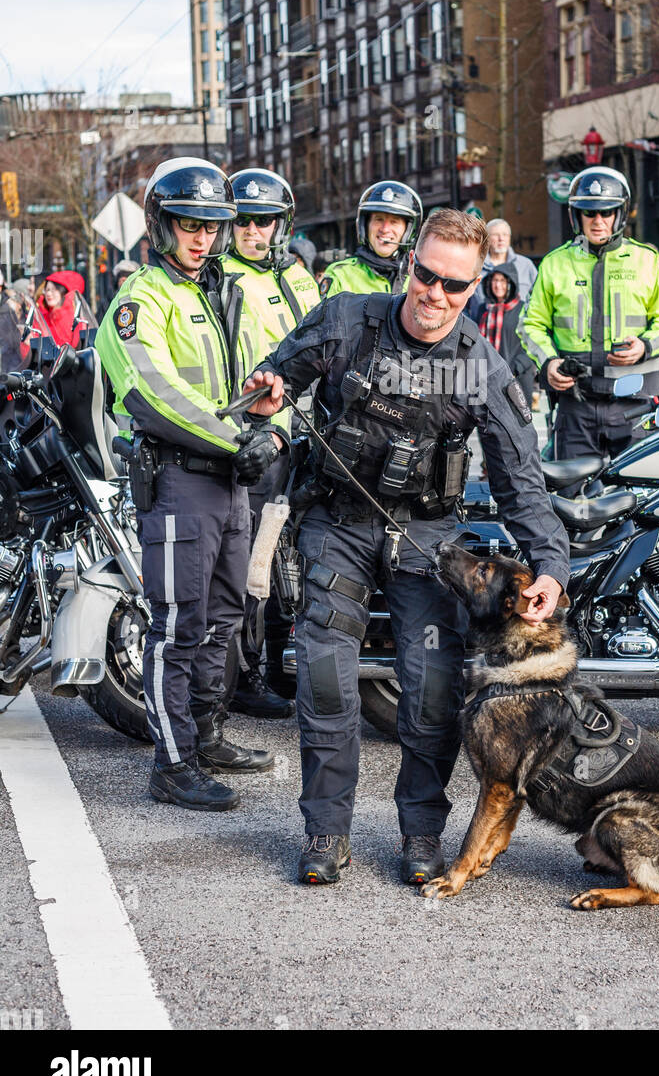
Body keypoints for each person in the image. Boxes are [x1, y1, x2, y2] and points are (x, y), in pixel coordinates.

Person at [243, 209, 571, 887]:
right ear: (410, 265)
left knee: (431, 695)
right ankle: (326, 834)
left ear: (475, 287)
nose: (436, 295)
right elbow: (277, 381)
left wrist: (551, 566)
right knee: (328, 682)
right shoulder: (345, 321)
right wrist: (268, 398)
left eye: (455, 286)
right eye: (426, 276)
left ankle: (422, 833)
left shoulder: (480, 366)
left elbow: (521, 480)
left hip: (426, 541)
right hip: (337, 523)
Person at [95, 157, 279, 813]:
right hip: (180, 482)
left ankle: (206, 736)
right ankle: (172, 766)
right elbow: (153, 393)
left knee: (225, 617)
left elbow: (263, 377)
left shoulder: (224, 293)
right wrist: (242, 439)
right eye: (186, 224)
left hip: (233, 483)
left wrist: (275, 427)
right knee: (178, 627)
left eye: (211, 225)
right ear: (160, 226)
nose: (200, 238)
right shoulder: (140, 301)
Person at [223, 167, 320, 718]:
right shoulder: (224, 279)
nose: (254, 232)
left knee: (291, 557)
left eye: (266, 222)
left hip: (305, 435)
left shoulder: (300, 277)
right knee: (252, 557)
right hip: (258, 436)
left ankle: (281, 663)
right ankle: (246, 675)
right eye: (245, 221)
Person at [518, 166, 659, 459]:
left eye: (606, 212)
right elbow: (530, 324)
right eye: (589, 213)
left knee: (638, 495)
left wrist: (645, 346)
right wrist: (549, 362)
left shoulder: (646, 260)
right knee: (570, 496)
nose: (597, 221)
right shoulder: (554, 264)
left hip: (636, 406)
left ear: (620, 214)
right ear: (576, 215)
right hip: (576, 405)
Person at [319, 181, 422, 298]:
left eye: (394, 222)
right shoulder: (340, 275)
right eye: (379, 219)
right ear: (365, 226)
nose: (385, 229)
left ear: (408, 231)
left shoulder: (419, 278)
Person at [478, 266, 536, 406]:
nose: (498, 285)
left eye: (503, 281)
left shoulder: (524, 309)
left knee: (517, 424)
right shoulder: (483, 309)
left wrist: (516, 368)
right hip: (487, 380)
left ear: (511, 283)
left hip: (517, 380)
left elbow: (533, 343)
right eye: (495, 280)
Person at [467, 218, 537, 320]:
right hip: (481, 331)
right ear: (487, 239)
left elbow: (539, 299)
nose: (501, 239)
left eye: (505, 235)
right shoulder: (475, 266)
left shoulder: (525, 265)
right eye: (495, 235)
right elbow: (461, 302)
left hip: (518, 331)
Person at [36, 270, 97, 350]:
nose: (49, 294)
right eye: (47, 290)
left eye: (54, 289)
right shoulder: (42, 316)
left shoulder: (75, 319)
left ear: (64, 291)